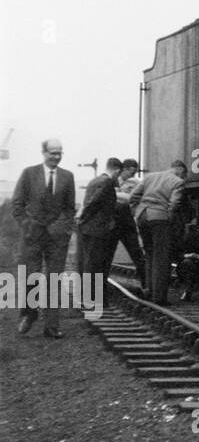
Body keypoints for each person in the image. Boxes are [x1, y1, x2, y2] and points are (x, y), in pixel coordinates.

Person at [10, 139, 77, 338]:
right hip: (33, 236)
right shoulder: (29, 174)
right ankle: (29, 314)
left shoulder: (67, 176)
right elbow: (17, 204)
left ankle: (51, 326)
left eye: (60, 153)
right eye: (52, 153)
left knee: (54, 280)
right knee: (31, 276)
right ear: (44, 153)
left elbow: (69, 208)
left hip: (57, 238)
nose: (56, 157)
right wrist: (27, 225)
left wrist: (63, 228)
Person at [129, 160, 188, 306]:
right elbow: (174, 204)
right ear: (180, 170)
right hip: (160, 219)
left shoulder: (150, 177)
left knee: (149, 255)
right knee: (161, 258)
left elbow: (133, 196)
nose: (184, 177)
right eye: (185, 174)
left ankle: (148, 292)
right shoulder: (178, 182)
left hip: (142, 216)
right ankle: (159, 298)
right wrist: (168, 218)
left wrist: (136, 212)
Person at [77, 157, 123, 291]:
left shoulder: (94, 180)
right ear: (116, 171)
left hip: (88, 228)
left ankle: (89, 296)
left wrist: (83, 218)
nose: (117, 179)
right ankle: (91, 297)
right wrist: (84, 215)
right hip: (97, 229)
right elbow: (94, 201)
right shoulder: (107, 181)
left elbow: (89, 201)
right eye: (118, 175)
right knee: (95, 264)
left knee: (88, 263)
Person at [112, 159, 150, 294]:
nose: (132, 175)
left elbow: (133, 199)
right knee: (107, 255)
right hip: (113, 222)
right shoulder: (113, 180)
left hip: (127, 222)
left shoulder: (135, 183)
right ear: (125, 169)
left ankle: (146, 285)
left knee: (137, 255)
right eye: (131, 171)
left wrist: (116, 195)